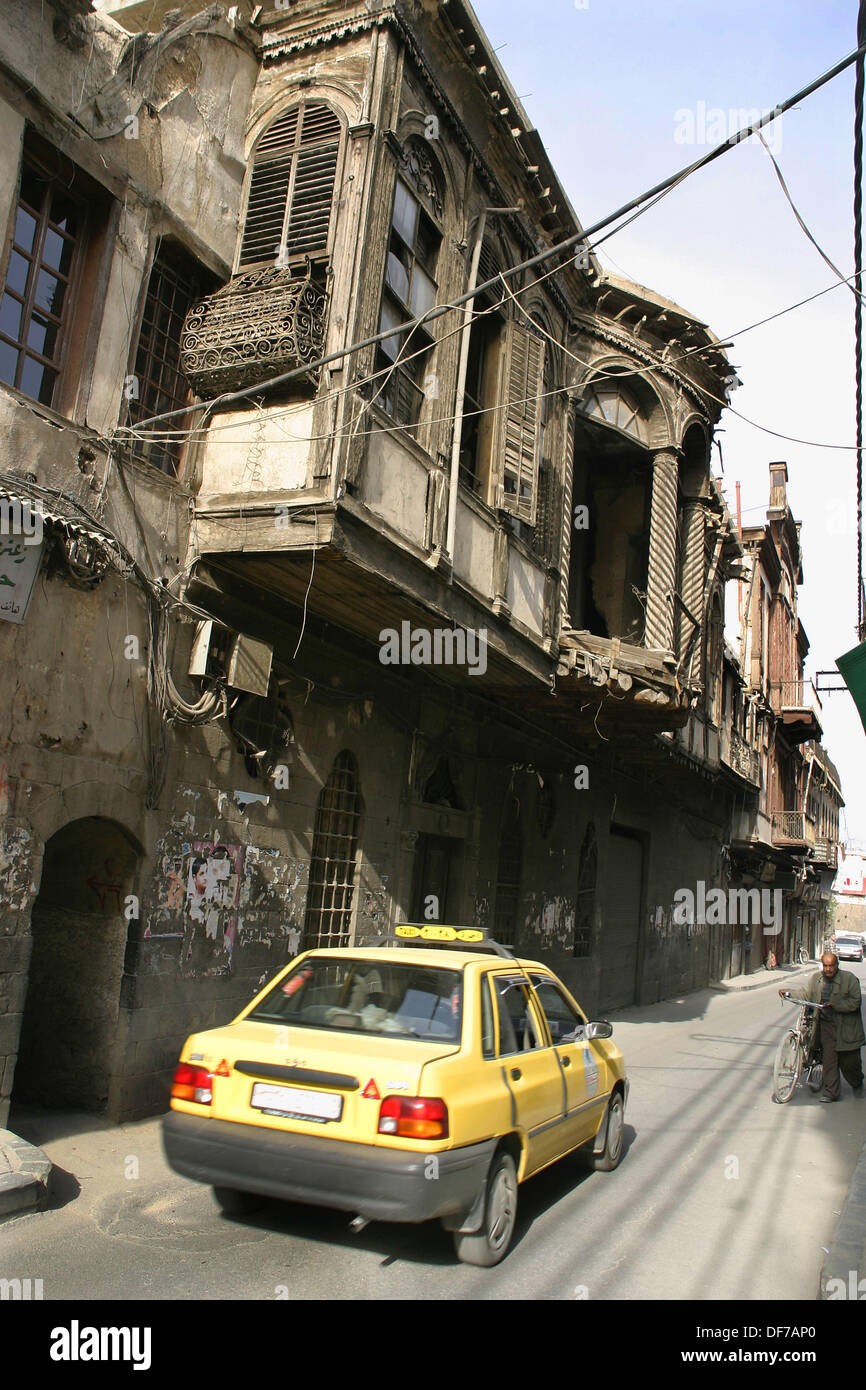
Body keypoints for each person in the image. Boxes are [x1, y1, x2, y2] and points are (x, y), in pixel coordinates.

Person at [780, 953, 865, 1102]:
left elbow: (855, 1001)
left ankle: (857, 1084)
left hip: (846, 1028)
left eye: (831, 966)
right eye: (825, 966)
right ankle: (831, 1092)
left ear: (837, 965)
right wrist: (789, 993)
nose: (828, 969)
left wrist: (836, 1005)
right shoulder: (816, 979)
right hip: (826, 1025)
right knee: (829, 1060)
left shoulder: (849, 979)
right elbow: (805, 994)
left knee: (850, 1063)